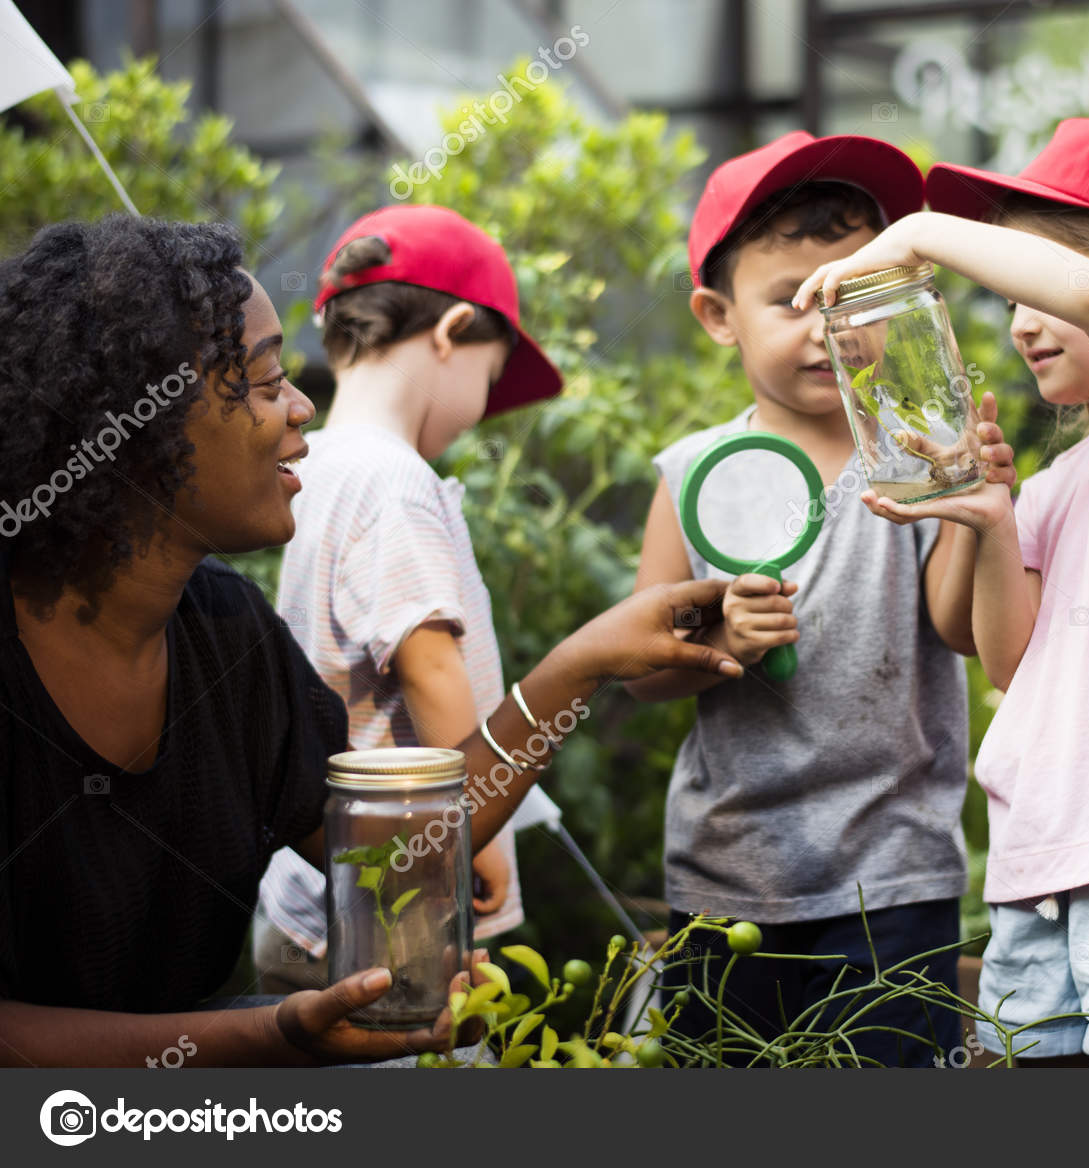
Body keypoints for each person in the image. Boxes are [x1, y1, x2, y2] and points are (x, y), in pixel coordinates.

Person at [0, 215, 741, 1066]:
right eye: (267, 378)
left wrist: (582, 667)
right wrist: (275, 1032)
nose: (302, 405)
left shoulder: (228, 637)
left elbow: (395, 855)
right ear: (146, 418)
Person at [796, 118, 1089, 1066]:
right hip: (1037, 863)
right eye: (1015, 290)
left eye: (1031, 278)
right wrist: (993, 521)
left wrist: (921, 234)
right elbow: (1008, 658)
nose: (1021, 318)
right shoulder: (1050, 486)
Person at [627, 132, 1008, 1067]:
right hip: (728, 879)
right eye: (788, 301)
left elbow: (957, 630)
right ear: (719, 315)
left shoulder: (916, 456)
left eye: (847, 293)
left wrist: (970, 510)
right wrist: (716, 634)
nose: (822, 325)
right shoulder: (693, 474)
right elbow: (640, 668)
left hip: (894, 877)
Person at [253, 205, 555, 991]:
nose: (483, 408)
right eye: (491, 380)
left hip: (320, 885)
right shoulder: (394, 482)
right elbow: (430, 671)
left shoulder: (312, 464)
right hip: (394, 903)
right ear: (453, 331)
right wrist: (477, 832)